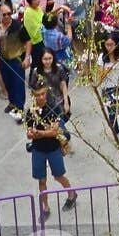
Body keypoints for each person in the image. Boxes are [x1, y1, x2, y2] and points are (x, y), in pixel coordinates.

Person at [26, 84, 77, 219]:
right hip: (38, 150)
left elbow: (54, 132)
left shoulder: (54, 108)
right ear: (33, 95)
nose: (41, 97)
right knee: (41, 181)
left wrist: (40, 133)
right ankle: (45, 207)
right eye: (38, 95)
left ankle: (72, 194)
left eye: (43, 94)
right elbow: (28, 133)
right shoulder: (31, 111)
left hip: (53, 148)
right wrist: (32, 134)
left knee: (59, 176)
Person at [98, 33, 119, 143]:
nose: (109, 47)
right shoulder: (102, 58)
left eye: (111, 44)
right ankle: (116, 133)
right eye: (107, 45)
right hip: (108, 89)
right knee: (112, 114)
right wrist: (107, 70)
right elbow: (100, 77)